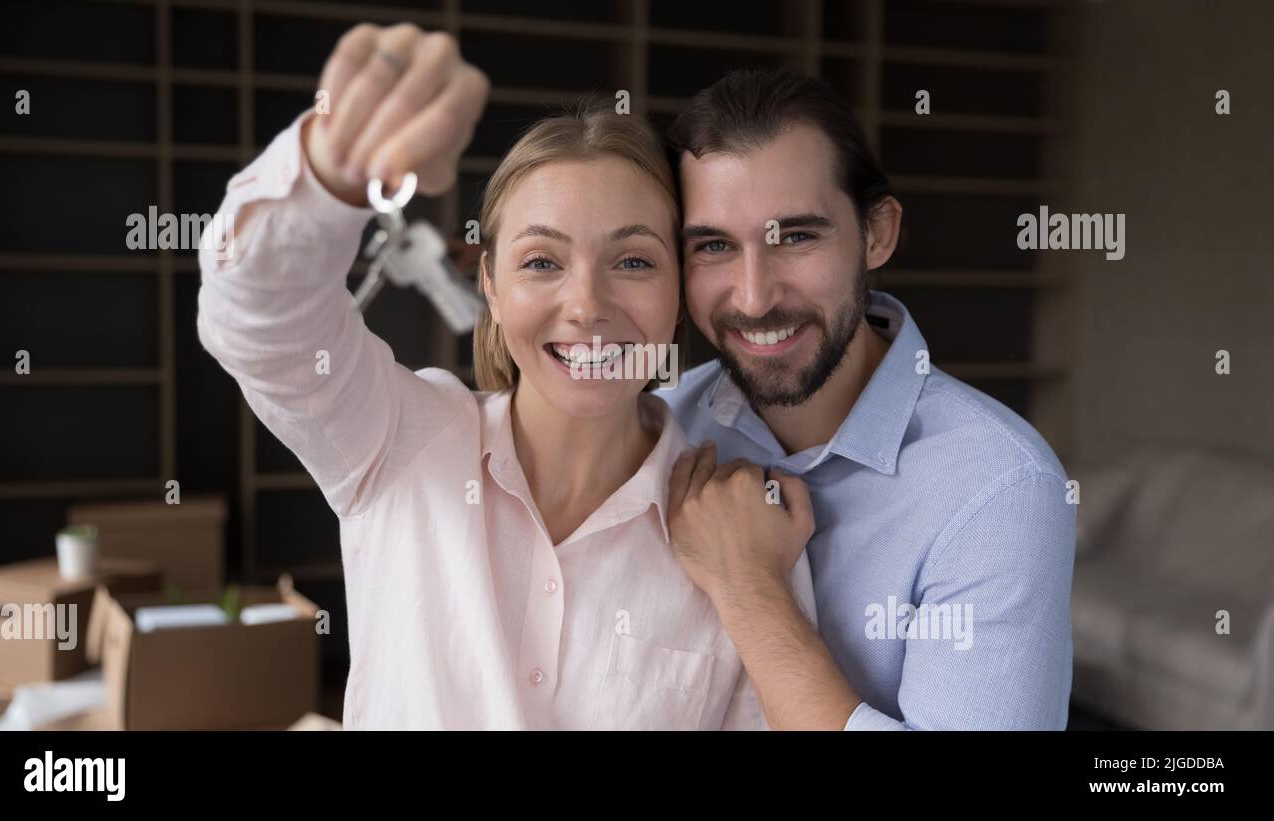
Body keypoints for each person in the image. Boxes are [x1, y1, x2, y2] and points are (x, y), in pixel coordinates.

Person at [196, 24, 813, 729]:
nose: (586, 307)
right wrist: (329, 171)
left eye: (634, 261)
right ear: (490, 282)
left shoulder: (740, 537)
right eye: (541, 262)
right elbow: (256, 321)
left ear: (680, 285)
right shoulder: (399, 439)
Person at [661, 69, 1077, 730]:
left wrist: (751, 590)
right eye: (713, 246)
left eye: (795, 237)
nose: (754, 296)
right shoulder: (656, 427)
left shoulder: (1001, 486)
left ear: (877, 234)